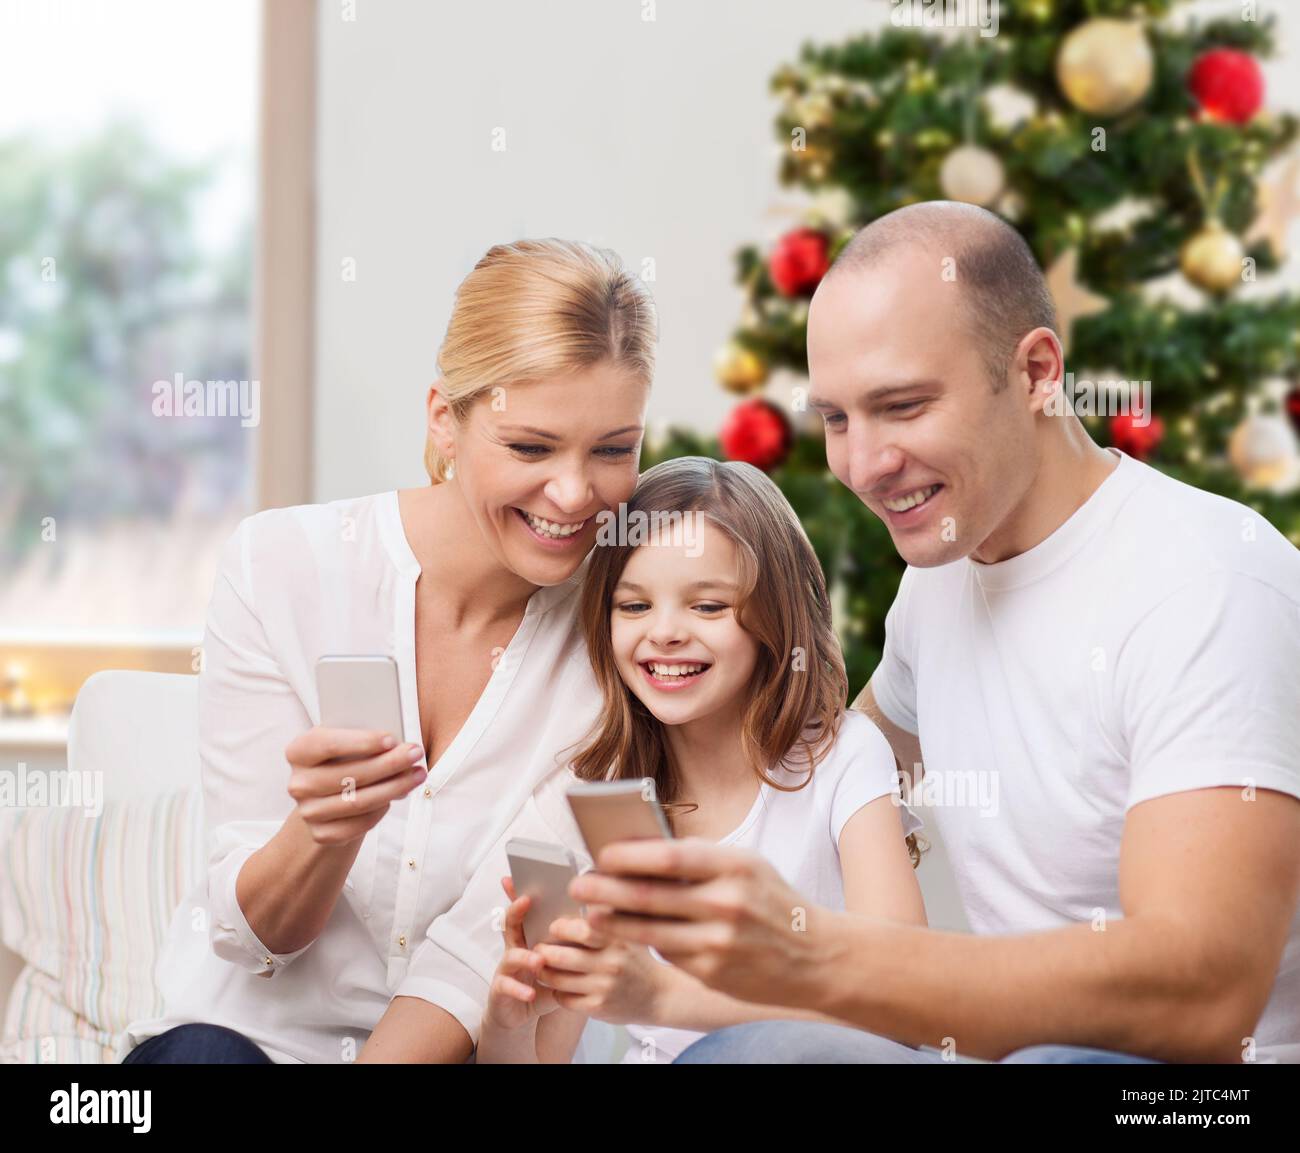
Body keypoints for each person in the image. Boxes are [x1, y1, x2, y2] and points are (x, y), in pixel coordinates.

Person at [568, 201, 1300, 1065]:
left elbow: (1204, 994)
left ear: (1035, 371)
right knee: (748, 1051)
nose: (863, 465)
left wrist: (808, 953)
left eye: (903, 405)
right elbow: (824, 756)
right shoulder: (938, 582)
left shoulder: (1207, 582)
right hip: (1005, 1060)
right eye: (838, 419)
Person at [119, 238, 657, 1063]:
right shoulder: (283, 566)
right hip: (241, 1043)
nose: (575, 493)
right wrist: (325, 833)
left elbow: (483, 950)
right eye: (531, 446)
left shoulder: (621, 638)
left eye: (613, 449)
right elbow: (250, 937)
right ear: (445, 418)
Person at [464, 458, 927, 1063]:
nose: (665, 632)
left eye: (707, 607)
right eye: (633, 607)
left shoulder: (841, 756)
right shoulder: (602, 796)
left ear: (775, 619)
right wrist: (509, 1026)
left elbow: (905, 1003)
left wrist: (666, 997)